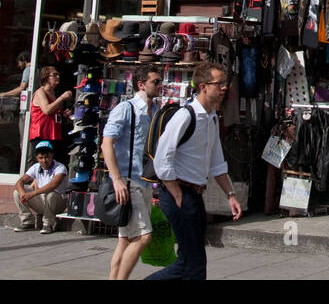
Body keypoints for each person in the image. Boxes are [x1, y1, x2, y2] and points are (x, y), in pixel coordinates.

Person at [145, 62, 242, 281]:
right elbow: (162, 159)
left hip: (195, 195)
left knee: (191, 263)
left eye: (225, 84)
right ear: (203, 86)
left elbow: (217, 162)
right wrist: (175, 192)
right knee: (193, 265)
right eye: (219, 84)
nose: (224, 88)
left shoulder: (211, 118)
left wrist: (231, 195)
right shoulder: (185, 116)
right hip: (179, 194)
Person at [101, 65, 160, 280]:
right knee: (144, 236)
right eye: (155, 81)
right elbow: (107, 144)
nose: (160, 85)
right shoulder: (127, 108)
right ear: (141, 84)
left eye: (160, 81)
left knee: (125, 240)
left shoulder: (154, 111)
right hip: (127, 182)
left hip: (143, 182)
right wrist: (116, 179)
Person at [13, 140, 67, 233]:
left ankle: (48, 224)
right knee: (17, 192)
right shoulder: (35, 167)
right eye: (41, 158)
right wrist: (23, 194)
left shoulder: (60, 167)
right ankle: (27, 221)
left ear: (52, 155)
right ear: (37, 158)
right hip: (42, 201)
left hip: (57, 203)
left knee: (51, 194)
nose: (44, 161)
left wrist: (32, 194)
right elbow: (20, 181)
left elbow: (53, 185)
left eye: (47, 157)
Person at [29, 65, 72, 150]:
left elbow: (53, 112)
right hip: (41, 133)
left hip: (53, 133)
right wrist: (62, 98)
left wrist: (63, 114)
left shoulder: (53, 93)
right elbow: (47, 110)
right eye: (54, 75)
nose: (58, 77)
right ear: (46, 77)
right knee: (45, 160)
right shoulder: (40, 92)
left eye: (58, 75)